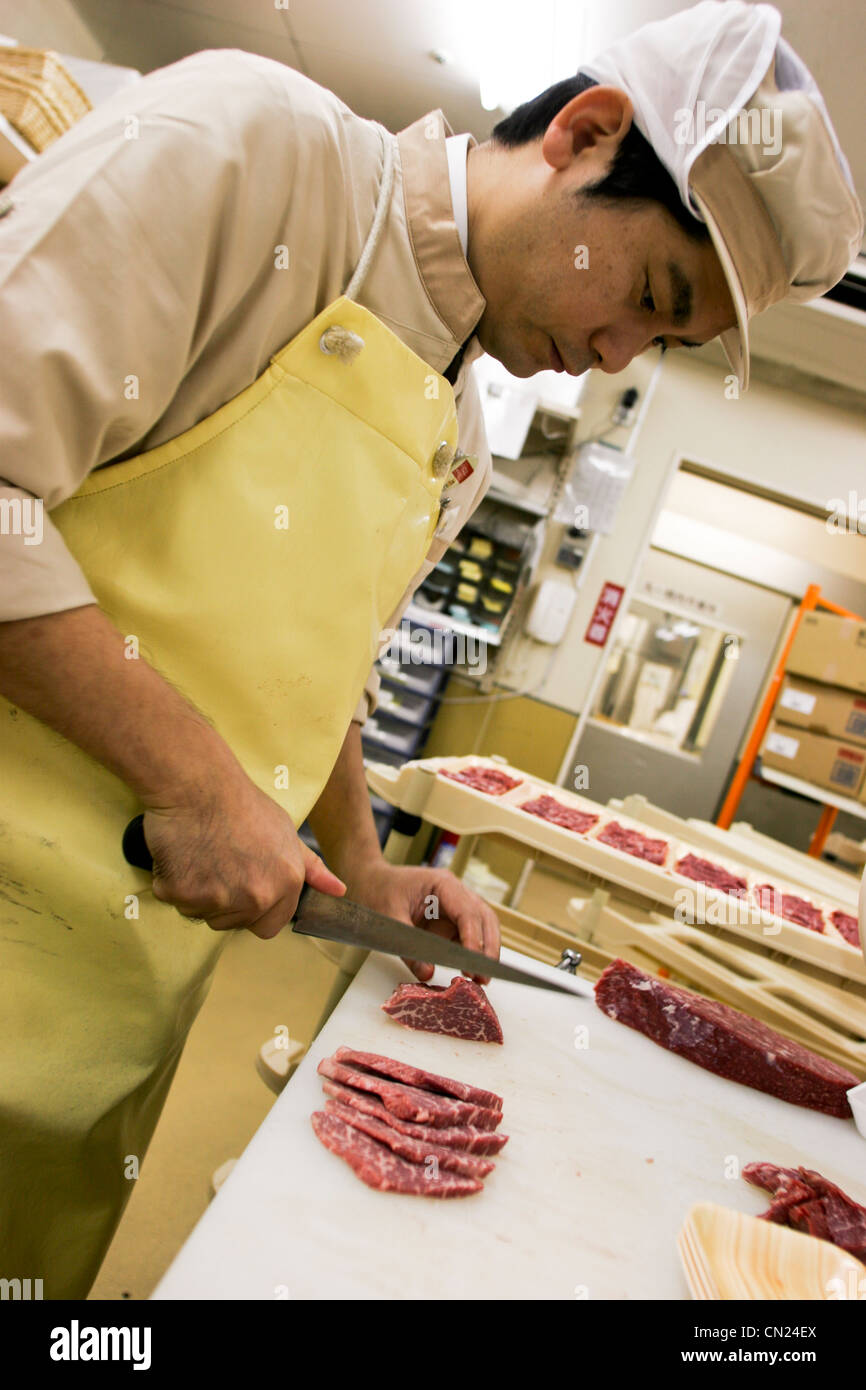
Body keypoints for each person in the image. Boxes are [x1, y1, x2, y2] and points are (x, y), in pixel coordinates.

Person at [0, 1, 860, 1296]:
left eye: (661, 345)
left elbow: (309, 661)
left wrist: (361, 860)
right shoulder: (257, 148)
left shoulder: (453, 419)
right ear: (584, 132)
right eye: (648, 294)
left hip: (107, 1024)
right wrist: (191, 780)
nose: (612, 358)